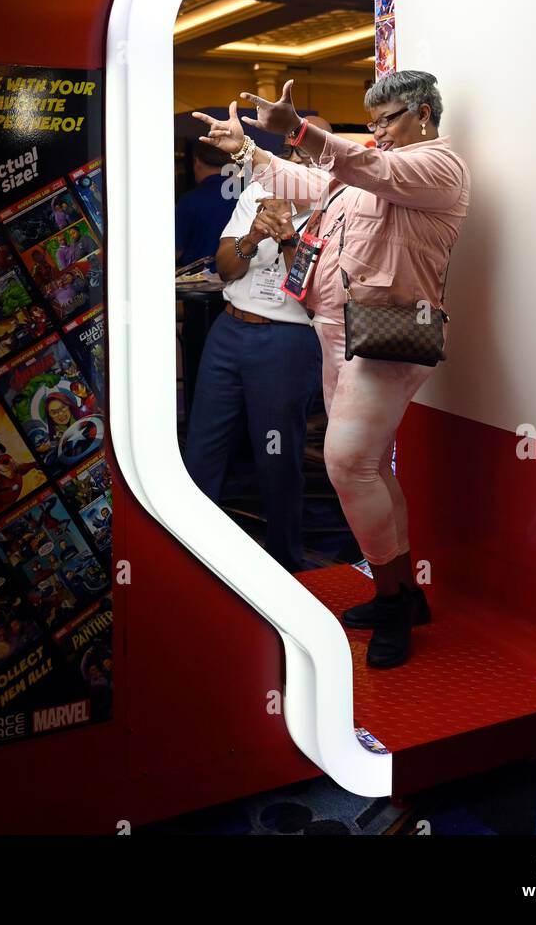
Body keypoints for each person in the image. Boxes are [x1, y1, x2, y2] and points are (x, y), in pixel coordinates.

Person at [193, 71, 470, 669]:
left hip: (388, 336)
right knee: (367, 466)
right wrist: (247, 150)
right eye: (371, 124)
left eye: (387, 119)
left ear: (423, 113)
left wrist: (299, 129)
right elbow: (312, 181)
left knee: (346, 463)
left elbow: (369, 169)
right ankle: (401, 593)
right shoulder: (368, 167)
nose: (377, 134)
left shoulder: (437, 166)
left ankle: (395, 604)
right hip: (337, 331)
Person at [183, 123, 333, 571]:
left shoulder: (335, 208)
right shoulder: (255, 194)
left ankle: (285, 563)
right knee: (203, 447)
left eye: (311, 152)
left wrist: (287, 236)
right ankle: (192, 552)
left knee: (276, 456)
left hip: (287, 341)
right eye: (294, 148)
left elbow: (311, 295)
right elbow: (227, 269)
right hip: (229, 333)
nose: (299, 157)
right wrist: (253, 237)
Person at [174, 138, 235, 269]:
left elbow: (176, 251)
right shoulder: (245, 196)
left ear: (196, 161)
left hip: (194, 281)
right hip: (235, 279)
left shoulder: (189, 200)